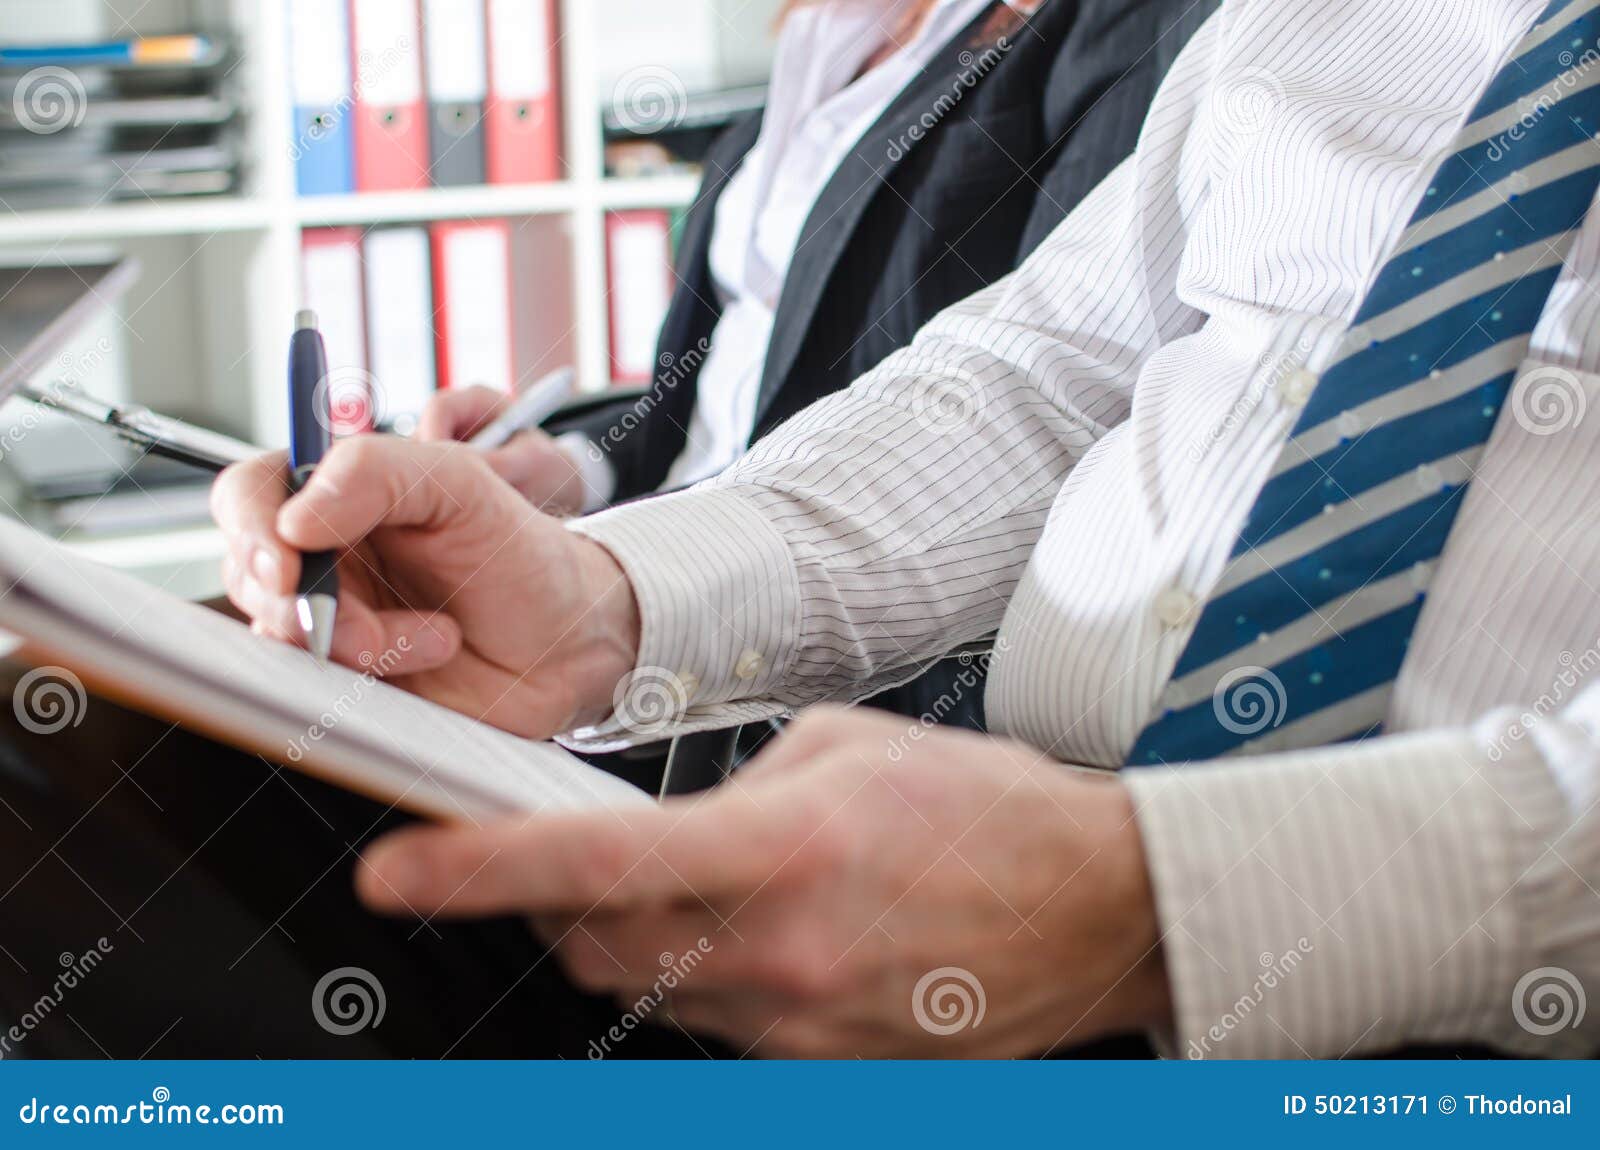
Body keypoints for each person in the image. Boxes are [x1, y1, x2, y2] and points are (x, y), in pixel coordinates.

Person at [7, 0, 1600, 1061]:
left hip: (1454, 1014)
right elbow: (1038, 382)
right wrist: (599, 593)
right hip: (990, 928)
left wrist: (1161, 898)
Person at [419, 0, 1214, 743]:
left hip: (825, 674)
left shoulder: (1121, 25)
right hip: (666, 572)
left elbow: (1057, 379)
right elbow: (734, 372)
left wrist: (625, 592)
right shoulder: (825, 33)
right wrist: (575, 467)